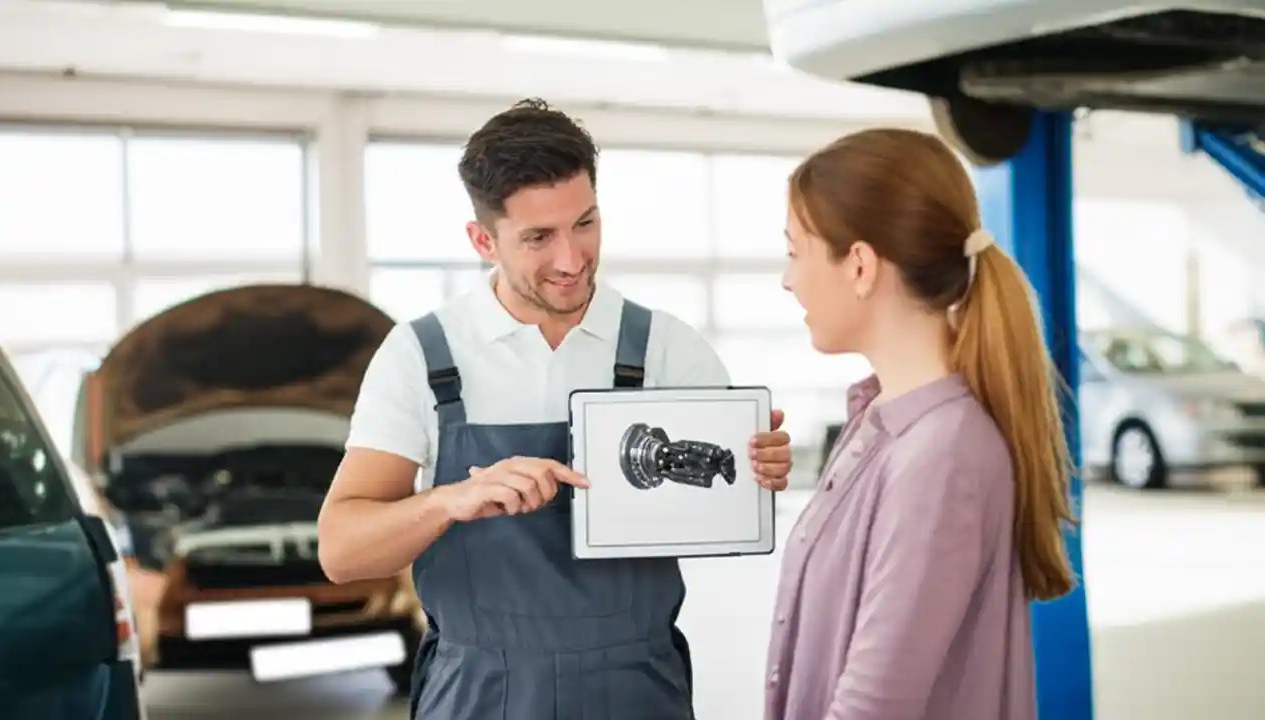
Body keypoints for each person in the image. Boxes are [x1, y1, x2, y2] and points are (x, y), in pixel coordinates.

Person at [316, 98, 795, 720]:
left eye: (585, 223)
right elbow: (341, 552)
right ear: (482, 239)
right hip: (478, 689)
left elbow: (725, 510)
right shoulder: (421, 356)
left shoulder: (666, 350)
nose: (571, 260)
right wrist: (447, 501)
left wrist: (757, 470)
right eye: (538, 238)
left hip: (637, 687)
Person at [763, 128, 1076, 720]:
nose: (788, 278)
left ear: (858, 265)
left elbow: (874, 705)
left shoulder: (940, 455)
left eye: (795, 250)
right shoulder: (881, 420)